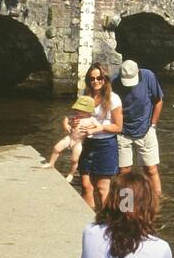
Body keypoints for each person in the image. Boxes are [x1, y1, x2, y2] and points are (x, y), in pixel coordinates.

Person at [115, 59, 165, 197]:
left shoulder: (148, 77)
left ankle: (156, 202)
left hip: (146, 130)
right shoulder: (114, 82)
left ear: (138, 73)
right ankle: (127, 206)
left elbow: (159, 101)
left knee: (150, 169)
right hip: (122, 132)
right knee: (124, 171)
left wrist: (153, 125)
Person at [78, 62, 123, 210]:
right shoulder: (86, 96)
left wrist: (100, 128)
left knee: (102, 188)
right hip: (89, 143)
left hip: (106, 145)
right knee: (86, 185)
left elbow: (118, 126)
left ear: (105, 79)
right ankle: (88, 220)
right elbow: (80, 117)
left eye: (99, 78)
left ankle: (106, 224)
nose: (95, 81)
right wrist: (74, 122)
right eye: (92, 78)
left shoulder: (113, 99)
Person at [39, 95, 95, 181]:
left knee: (74, 159)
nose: (79, 111)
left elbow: (99, 127)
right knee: (56, 148)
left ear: (89, 111)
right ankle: (51, 163)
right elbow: (66, 117)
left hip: (79, 141)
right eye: (78, 109)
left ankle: (71, 174)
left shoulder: (92, 119)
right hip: (70, 137)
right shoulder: (75, 116)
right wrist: (66, 124)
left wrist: (92, 130)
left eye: (82, 110)